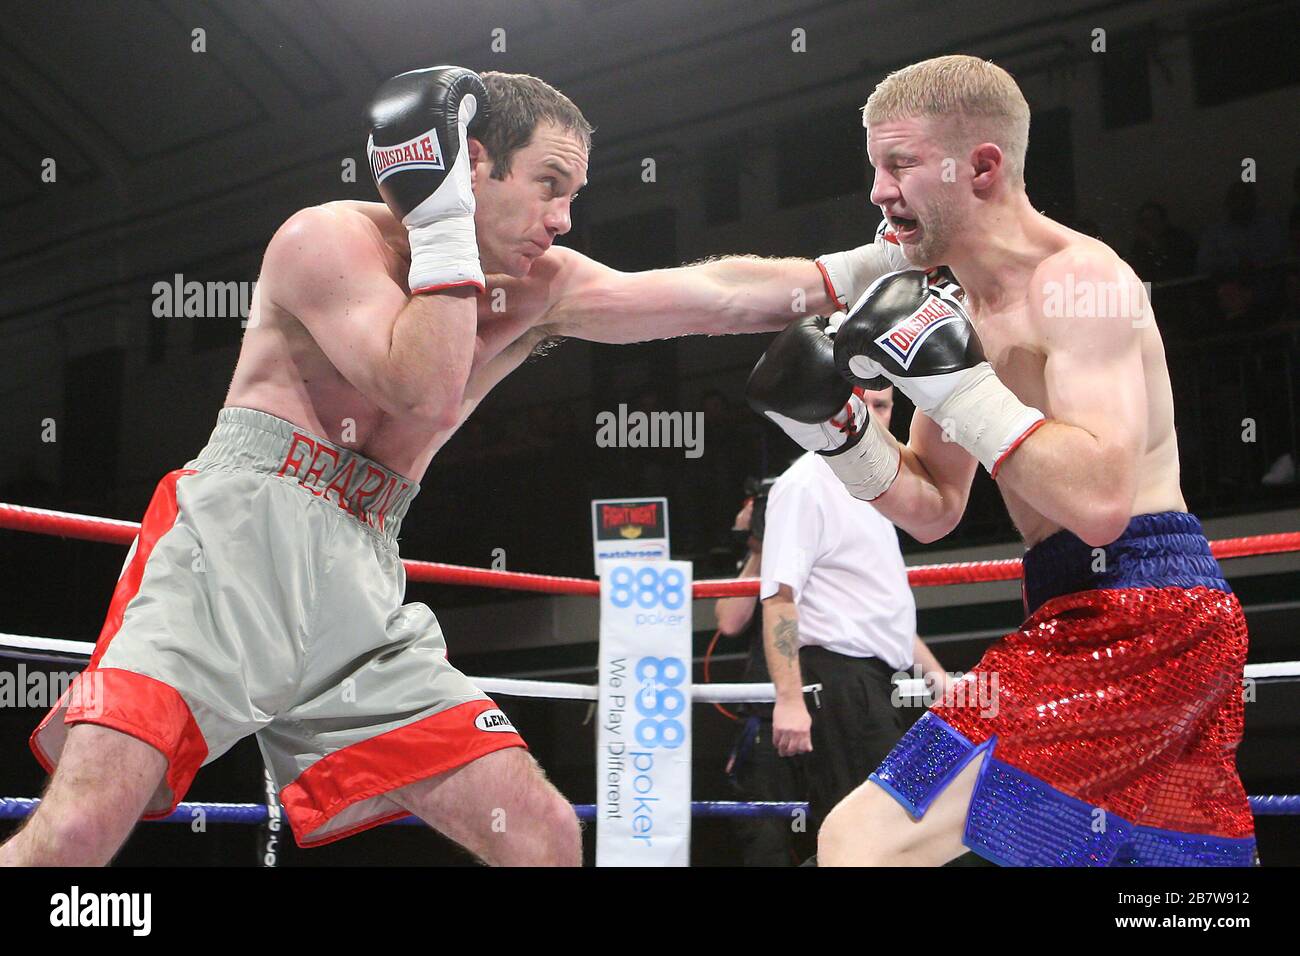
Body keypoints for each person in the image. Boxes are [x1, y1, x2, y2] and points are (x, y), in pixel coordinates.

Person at [0, 66, 872, 867]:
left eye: (573, 195)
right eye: (548, 186)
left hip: (362, 577)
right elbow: (419, 385)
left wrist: (885, 261)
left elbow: (717, 299)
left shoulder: (544, 286)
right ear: (473, 163)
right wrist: (442, 219)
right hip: (235, 543)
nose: (563, 219)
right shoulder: (329, 240)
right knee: (79, 830)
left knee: (541, 834)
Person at [748, 54, 1256, 866]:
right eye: (875, 168)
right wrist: (837, 431)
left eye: (900, 165)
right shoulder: (956, 310)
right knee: (1175, 878)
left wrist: (954, 381)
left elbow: (1098, 502)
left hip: (1146, 608)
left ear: (979, 165)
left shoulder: (1077, 280)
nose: (879, 192)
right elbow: (935, 506)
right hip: (1076, 604)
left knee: (857, 843)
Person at [758, 385, 950, 833]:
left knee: (902, 832)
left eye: (888, 408)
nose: (883, 420)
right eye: (875, 407)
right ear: (845, 411)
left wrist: (937, 676)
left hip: (885, 682)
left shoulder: (878, 491)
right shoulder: (804, 485)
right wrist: (789, 700)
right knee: (870, 834)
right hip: (841, 681)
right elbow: (779, 597)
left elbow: (877, 607)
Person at [714, 490, 808, 866]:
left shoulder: (827, 547)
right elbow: (729, 621)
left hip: (828, 704)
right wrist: (759, 549)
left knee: (841, 826)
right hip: (770, 721)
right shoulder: (763, 560)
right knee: (765, 841)